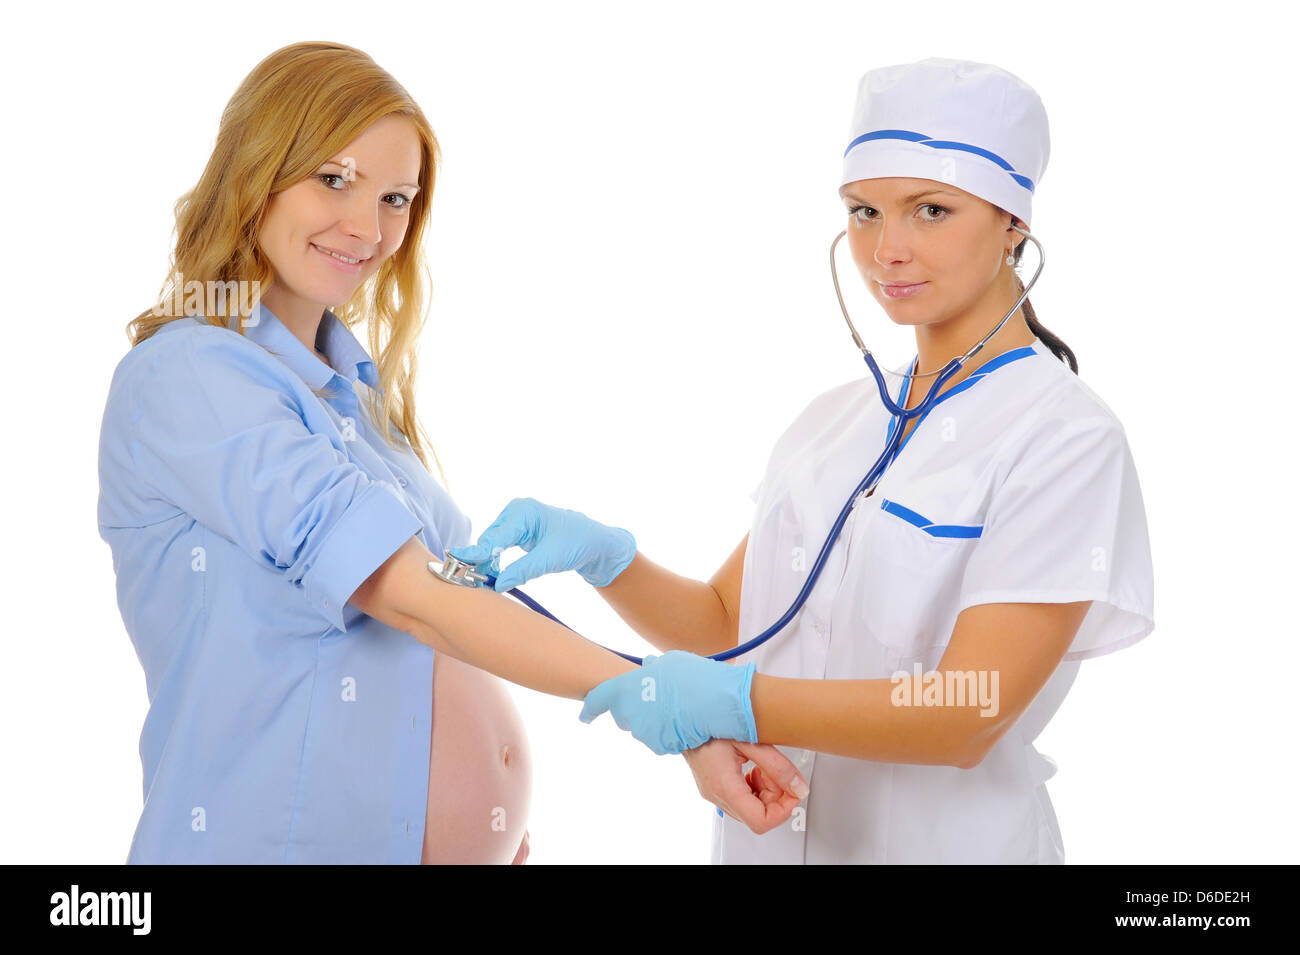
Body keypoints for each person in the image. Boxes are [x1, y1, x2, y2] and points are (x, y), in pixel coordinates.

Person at [97, 40, 806, 865]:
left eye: (395, 198)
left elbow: (428, 636)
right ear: (257, 171)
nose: (368, 229)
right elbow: (407, 595)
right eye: (334, 179)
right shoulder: (189, 374)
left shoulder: (352, 398)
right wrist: (637, 685)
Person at [448, 58, 1156, 864]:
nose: (887, 249)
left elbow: (972, 709)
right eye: (864, 212)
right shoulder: (835, 422)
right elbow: (729, 622)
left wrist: (740, 702)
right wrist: (607, 560)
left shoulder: (1064, 438)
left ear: (1013, 224)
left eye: (931, 210)